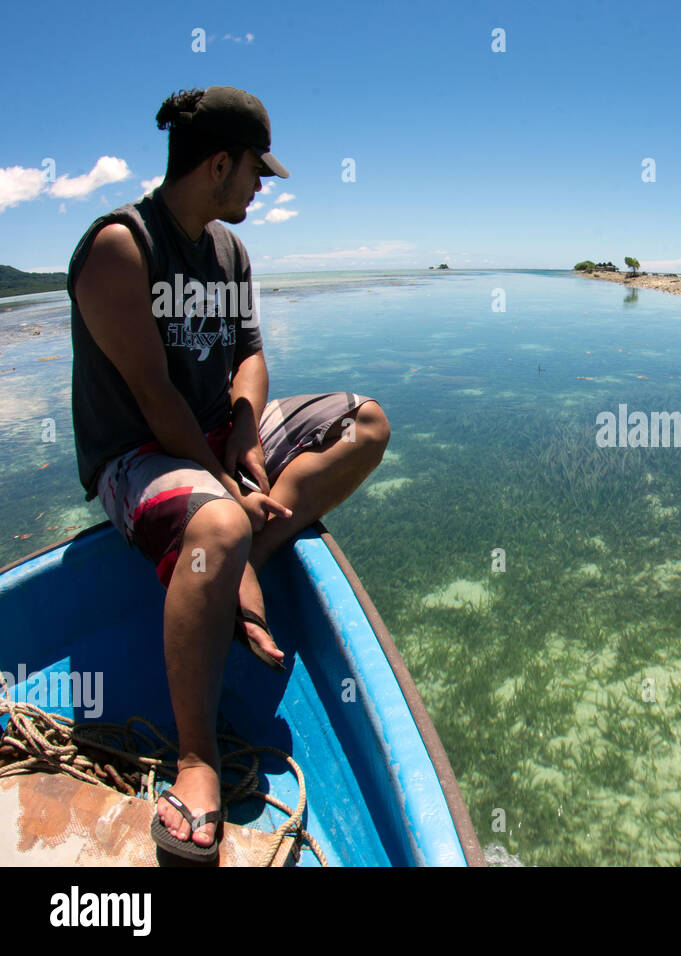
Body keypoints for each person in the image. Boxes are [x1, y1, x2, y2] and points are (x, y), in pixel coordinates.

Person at [68, 86, 391, 860]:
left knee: (365, 424)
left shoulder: (229, 250)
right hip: (138, 450)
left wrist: (246, 428)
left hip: (217, 436)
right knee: (216, 520)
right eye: (255, 171)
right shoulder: (122, 246)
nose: (260, 186)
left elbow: (250, 354)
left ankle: (248, 553)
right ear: (219, 164)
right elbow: (152, 397)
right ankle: (197, 760)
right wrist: (227, 485)